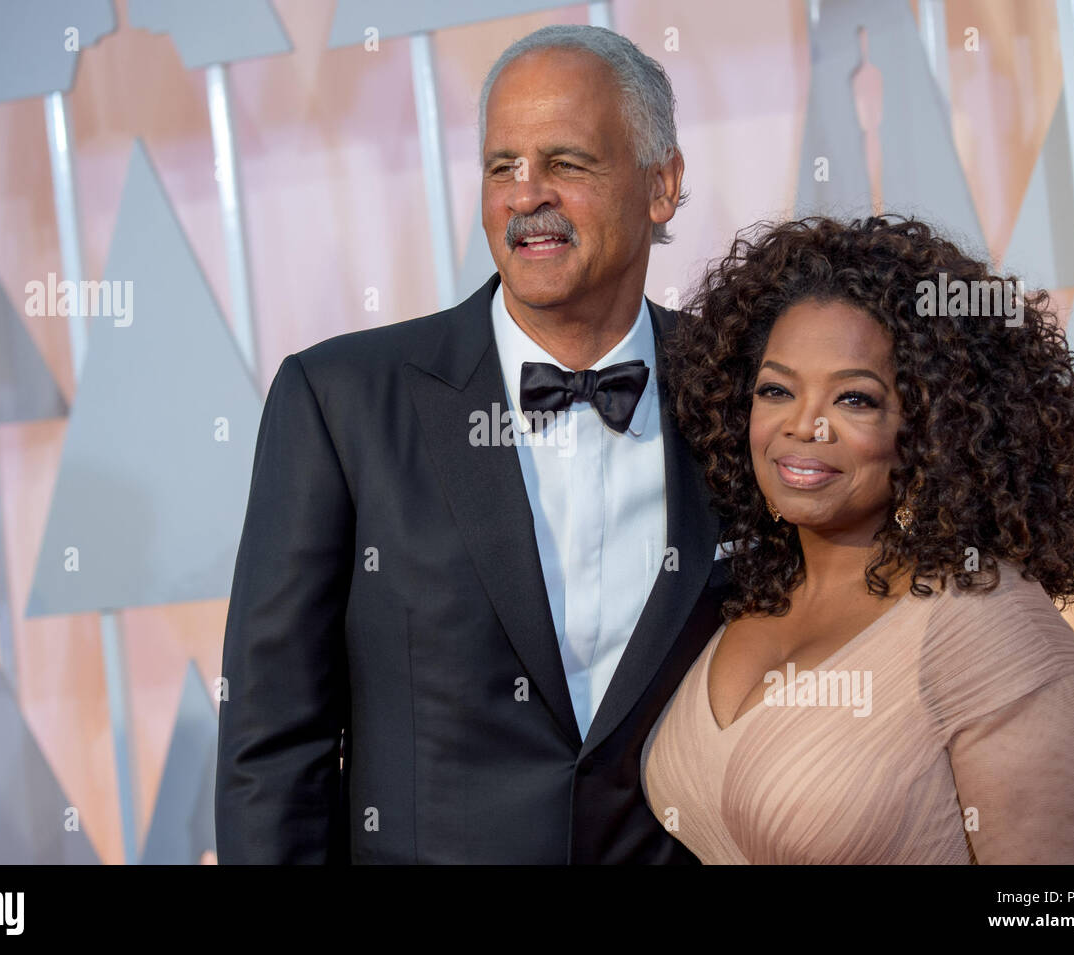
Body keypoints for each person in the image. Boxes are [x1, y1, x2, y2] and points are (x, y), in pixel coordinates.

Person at [215, 24, 731, 864]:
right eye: (502, 166)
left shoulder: (742, 394)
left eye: (566, 163)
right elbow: (274, 743)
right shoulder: (343, 401)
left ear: (662, 185)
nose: (527, 195)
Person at [643, 215, 1074, 864]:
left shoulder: (988, 627)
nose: (804, 426)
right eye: (777, 389)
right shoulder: (744, 595)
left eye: (854, 399)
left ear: (935, 422)